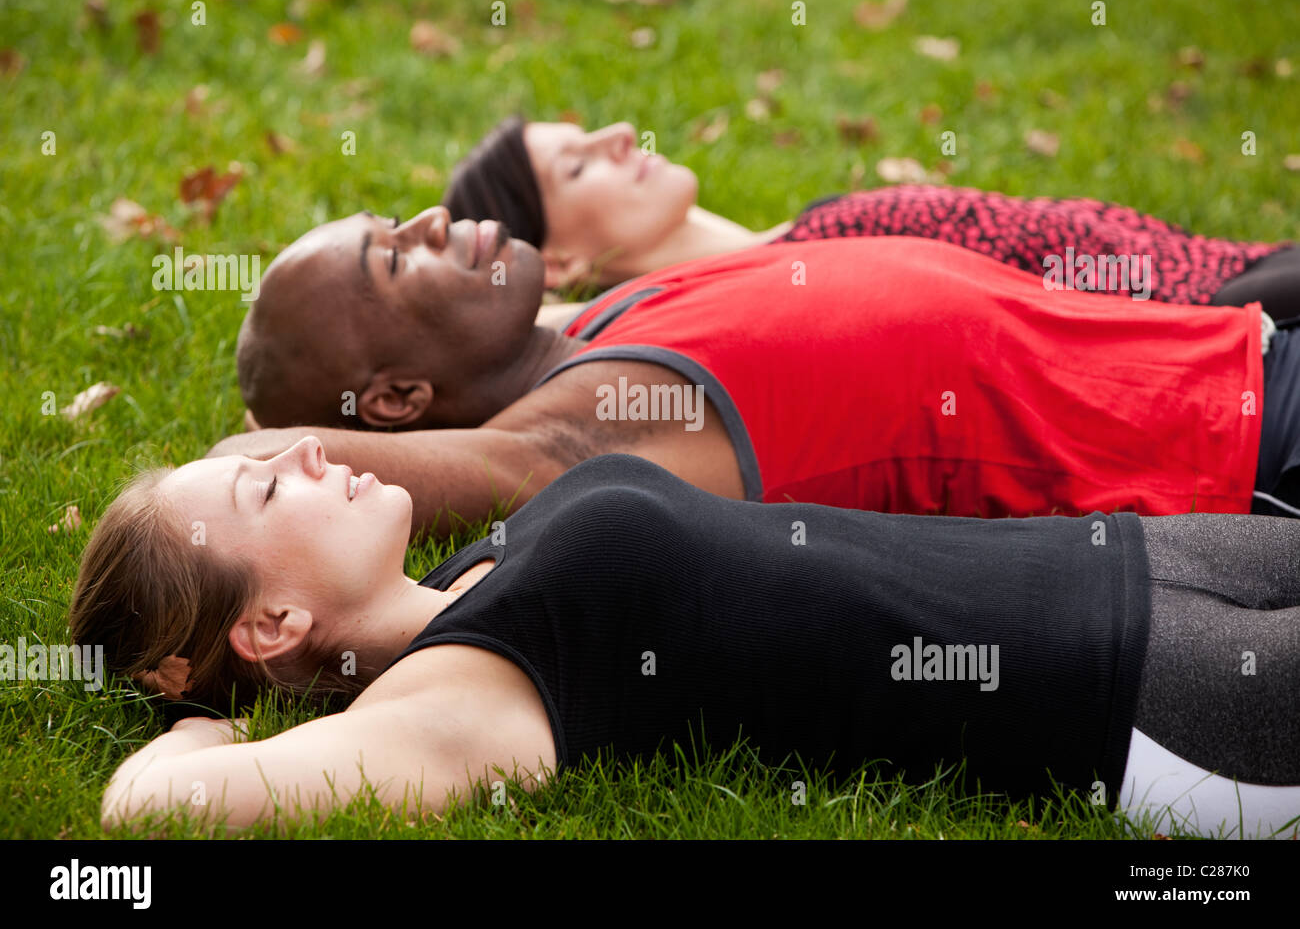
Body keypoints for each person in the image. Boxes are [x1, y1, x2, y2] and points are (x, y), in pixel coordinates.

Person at [75, 441, 1300, 838]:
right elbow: (144, 811)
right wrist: (194, 721)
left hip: (1138, 557)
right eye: (261, 494)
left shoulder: (464, 582)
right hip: (1134, 694)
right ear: (273, 623)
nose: (298, 453)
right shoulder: (462, 695)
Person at [221, 206, 1300, 537]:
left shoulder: (599, 320)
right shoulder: (590, 423)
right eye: (394, 255)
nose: (428, 216)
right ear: (401, 399)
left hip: (1245, 351)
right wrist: (243, 472)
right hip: (1248, 450)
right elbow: (255, 454)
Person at [442, 115, 1299, 316]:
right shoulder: (761, 292)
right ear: (553, 262)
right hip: (1222, 323)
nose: (621, 133)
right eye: (578, 163)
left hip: (1235, 264)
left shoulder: (797, 239)